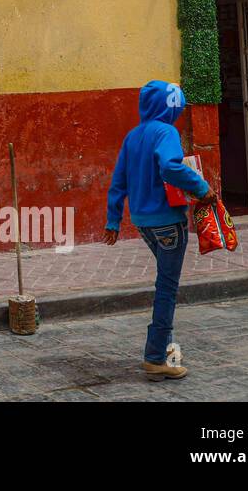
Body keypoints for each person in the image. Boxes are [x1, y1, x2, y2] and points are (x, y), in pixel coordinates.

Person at [104, 80, 216, 381]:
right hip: (168, 221)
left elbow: (118, 182)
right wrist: (202, 188)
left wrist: (113, 221)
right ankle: (156, 357)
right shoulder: (166, 132)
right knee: (167, 289)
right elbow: (170, 167)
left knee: (165, 285)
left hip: (142, 222)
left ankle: (161, 353)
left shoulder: (132, 136)